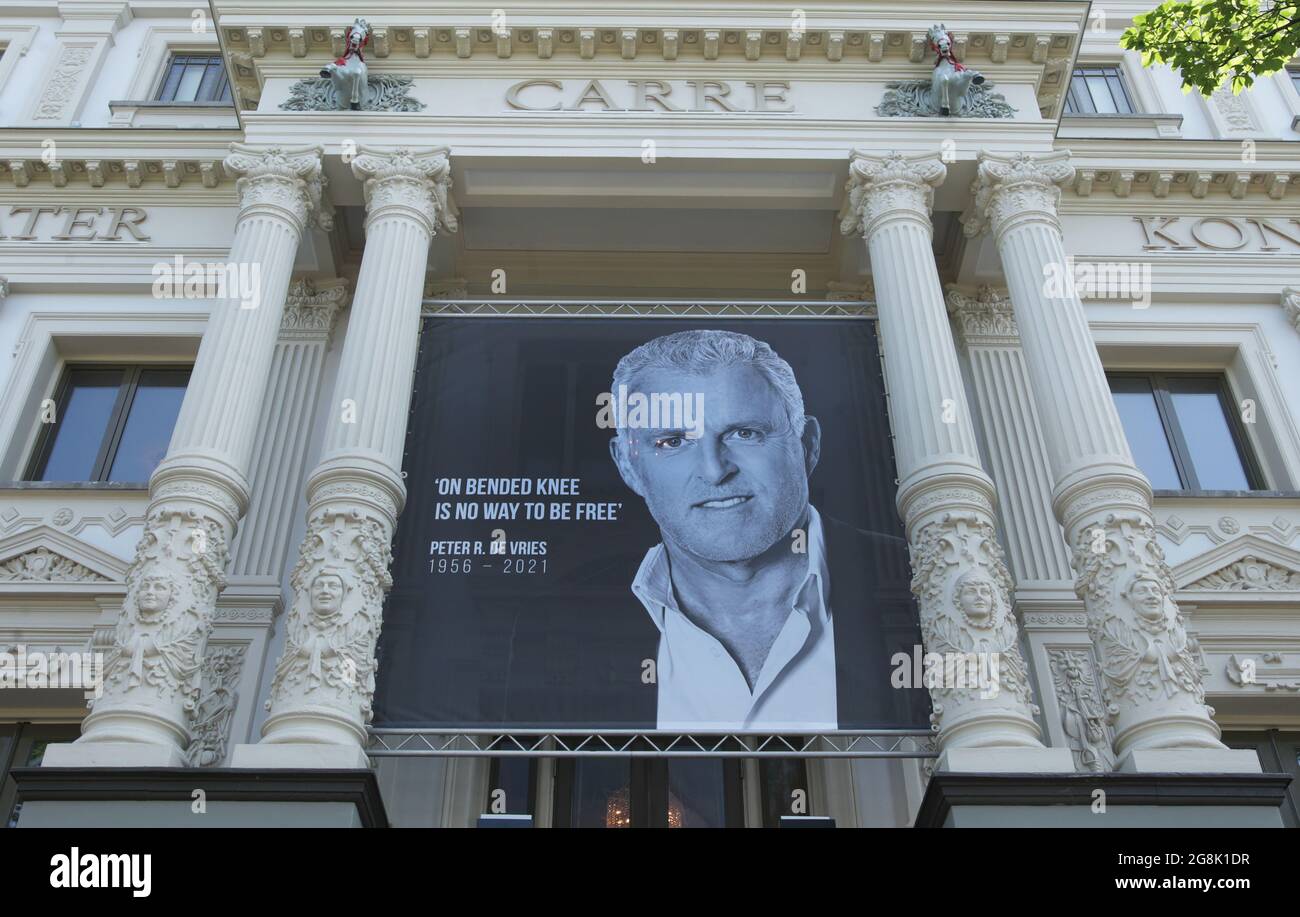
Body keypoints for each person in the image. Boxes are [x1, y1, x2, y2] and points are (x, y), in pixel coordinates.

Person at [607, 328, 915, 730]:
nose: (715, 470)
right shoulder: (561, 633)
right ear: (628, 466)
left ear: (808, 444)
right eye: (672, 441)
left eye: (744, 433)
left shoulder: (921, 579)